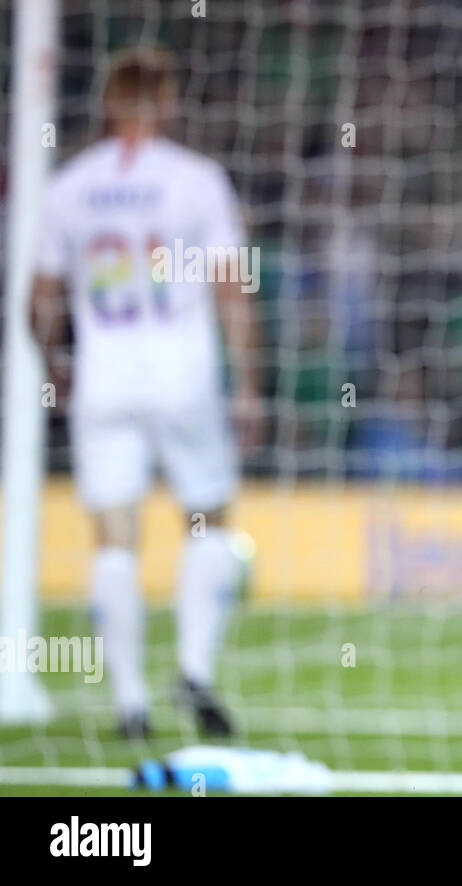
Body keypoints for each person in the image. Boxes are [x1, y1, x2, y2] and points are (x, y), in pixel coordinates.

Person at [30, 48, 260, 740]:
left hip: (105, 376)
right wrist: (246, 381)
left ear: (106, 105)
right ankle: (192, 669)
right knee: (208, 519)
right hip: (182, 375)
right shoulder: (195, 181)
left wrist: (56, 361)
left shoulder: (69, 186)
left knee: (113, 538)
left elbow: (39, 296)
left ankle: (129, 702)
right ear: (165, 104)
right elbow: (230, 286)